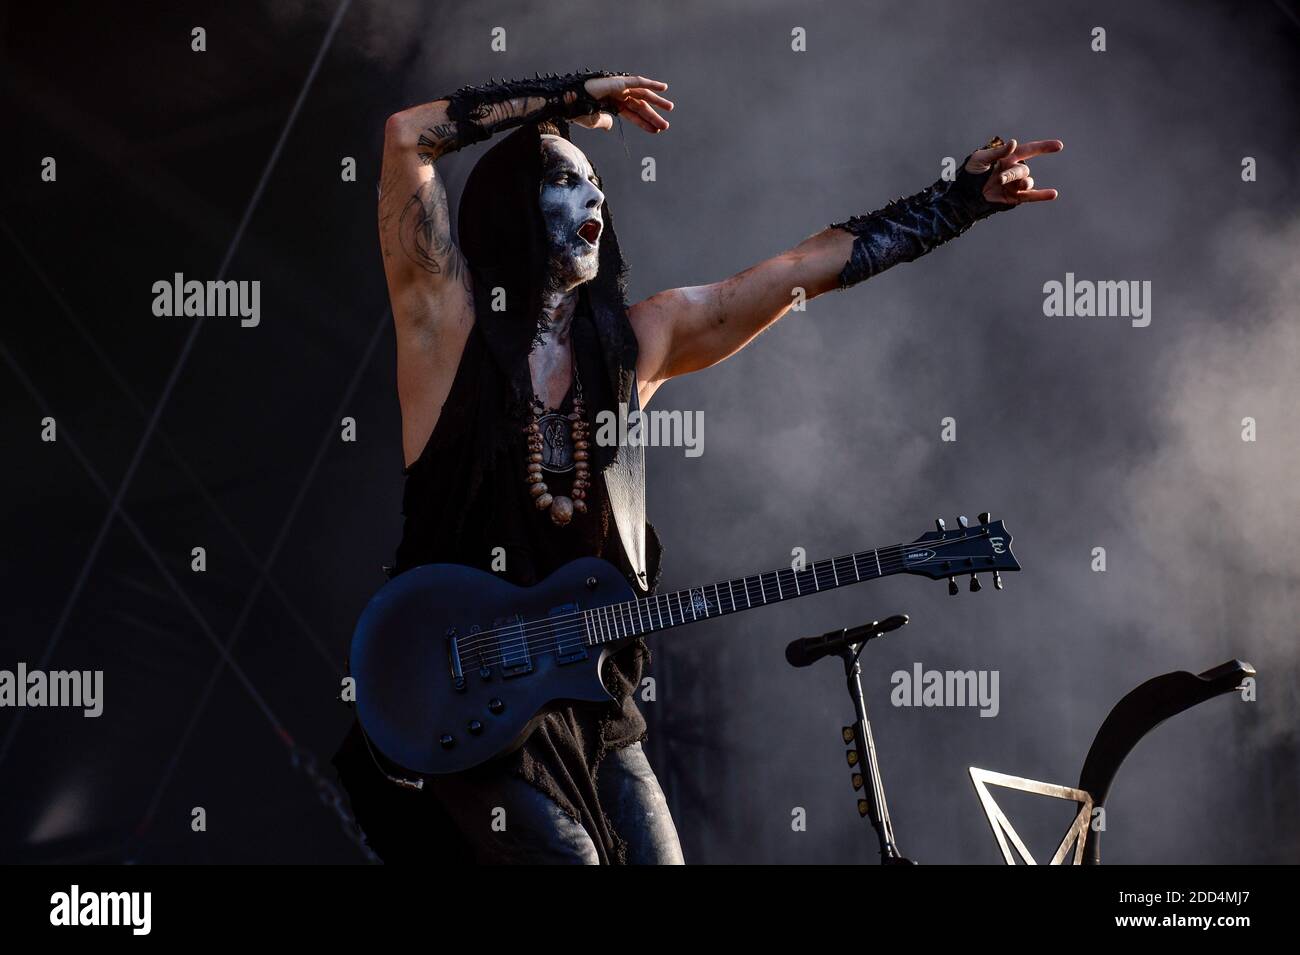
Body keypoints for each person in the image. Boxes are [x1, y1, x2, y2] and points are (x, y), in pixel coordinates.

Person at [333, 69, 1062, 864]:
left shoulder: (635, 345)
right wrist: (572, 99)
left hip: (591, 703)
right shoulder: (446, 336)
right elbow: (409, 135)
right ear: (514, 209)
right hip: (461, 694)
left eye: (597, 187)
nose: (594, 204)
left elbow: (796, 272)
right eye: (564, 185)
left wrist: (954, 201)